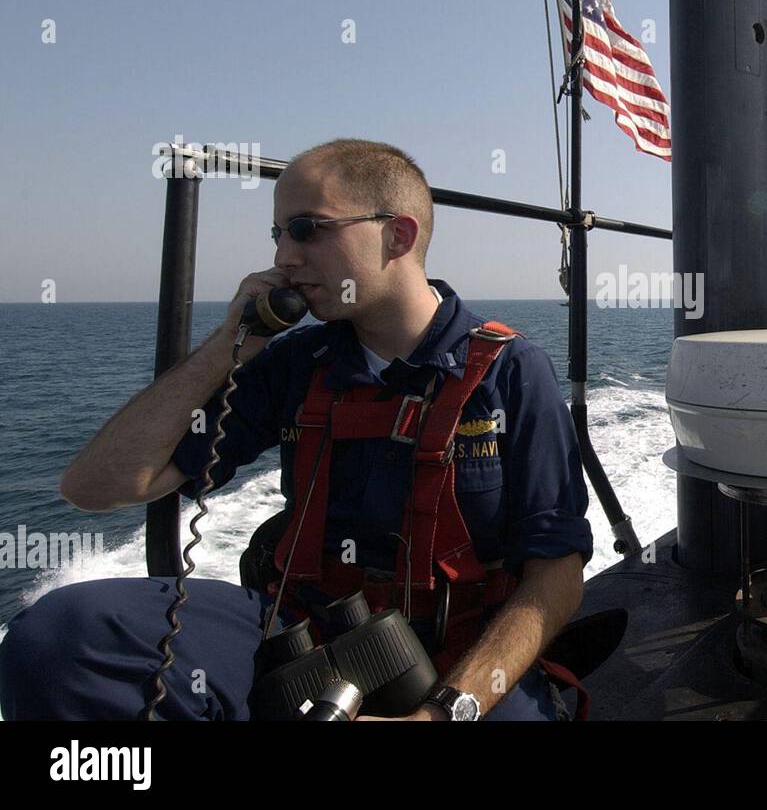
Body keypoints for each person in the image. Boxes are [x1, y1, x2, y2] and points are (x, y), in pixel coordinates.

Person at [0, 138, 594, 721]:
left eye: (308, 228)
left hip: (461, 651)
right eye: (279, 233)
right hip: (300, 632)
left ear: (399, 235)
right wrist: (226, 347)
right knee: (60, 636)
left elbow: (557, 574)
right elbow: (95, 487)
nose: (285, 256)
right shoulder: (295, 365)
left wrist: (446, 711)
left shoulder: (509, 372)